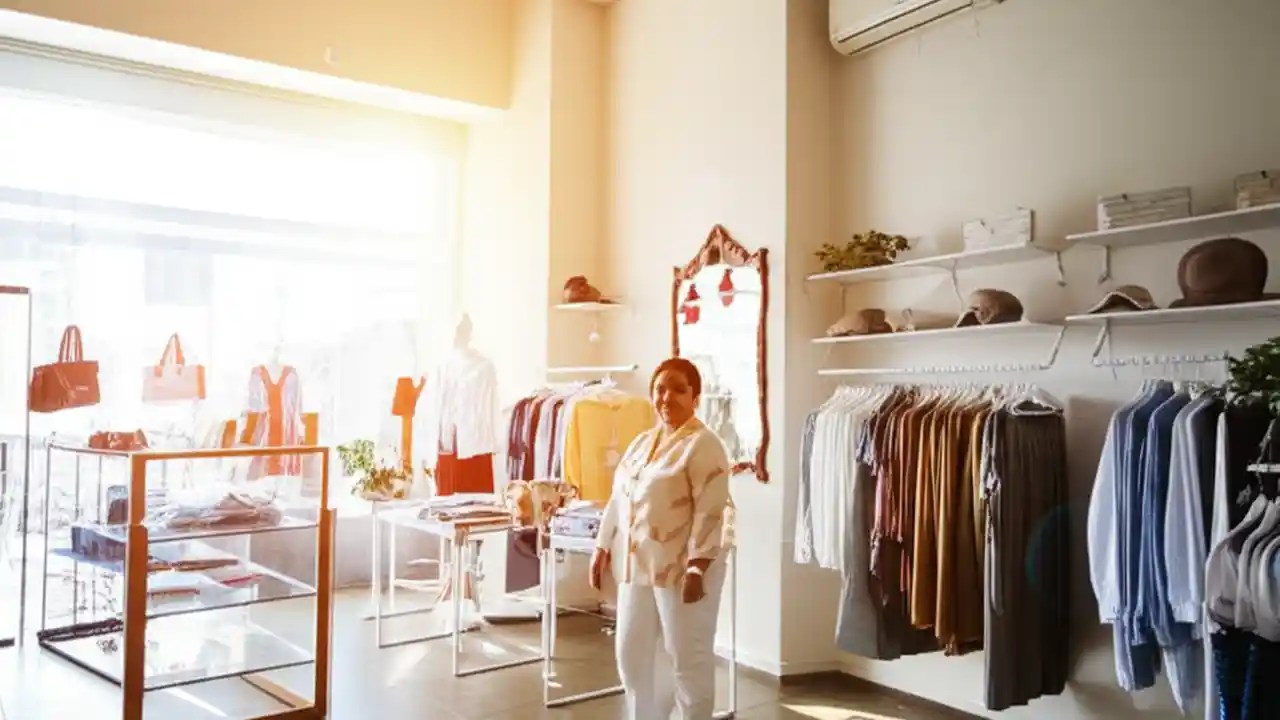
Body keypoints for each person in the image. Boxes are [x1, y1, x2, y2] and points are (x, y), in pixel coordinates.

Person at [589, 357, 733, 720]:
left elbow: (711, 511)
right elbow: (619, 497)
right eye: (660, 389)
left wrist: (698, 567)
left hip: (683, 570)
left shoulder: (704, 445)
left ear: (695, 396)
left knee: (688, 657)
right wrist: (602, 545)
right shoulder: (642, 442)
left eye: (678, 389)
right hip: (637, 566)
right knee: (631, 655)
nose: (667, 397)